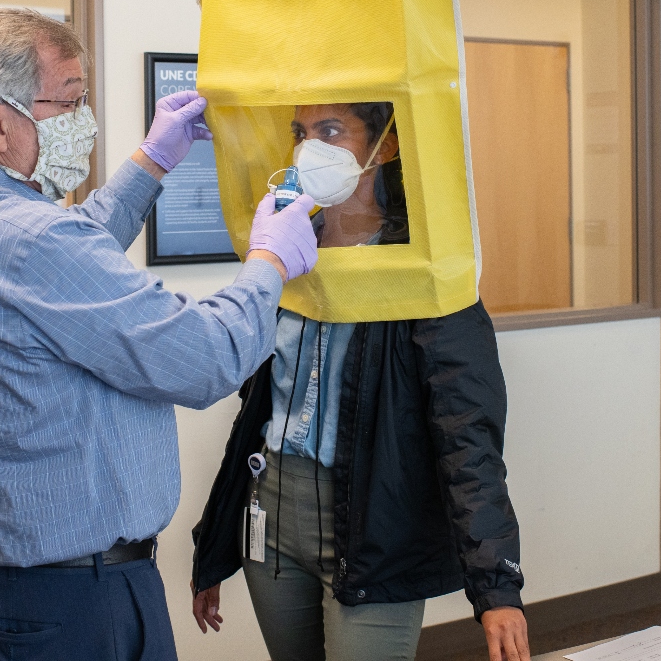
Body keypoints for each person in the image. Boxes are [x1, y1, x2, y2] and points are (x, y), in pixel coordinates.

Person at [0, 0, 318, 661]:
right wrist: (271, 260)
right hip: (75, 605)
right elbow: (205, 358)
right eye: (69, 102)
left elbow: (71, 256)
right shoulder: (30, 241)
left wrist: (152, 162)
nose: (84, 121)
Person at [189, 103, 530, 661]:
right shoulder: (284, 251)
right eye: (301, 132)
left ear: (385, 145)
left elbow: (467, 435)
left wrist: (496, 586)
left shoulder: (425, 272)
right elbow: (255, 409)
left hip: (373, 524)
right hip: (271, 514)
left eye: (329, 131)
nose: (307, 150)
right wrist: (215, 544)